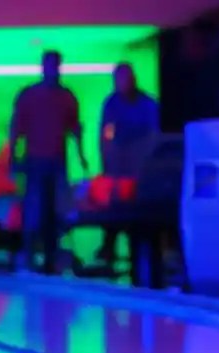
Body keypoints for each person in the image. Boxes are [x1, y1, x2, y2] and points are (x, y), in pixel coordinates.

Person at [8, 51, 87, 274]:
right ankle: (31, 253)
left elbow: (74, 128)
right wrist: (12, 156)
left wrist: (81, 155)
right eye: (50, 65)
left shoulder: (65, 97)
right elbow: (16, 128)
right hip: (36, 160)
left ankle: (48, 254)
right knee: (35, 209)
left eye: (55, 65)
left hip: (55, 160)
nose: (53, 70)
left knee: (53, 210)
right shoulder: (32, 96)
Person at [97, 62, 159, 268]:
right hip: (118, 169)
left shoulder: (148, 105)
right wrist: (107, 159)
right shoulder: (111, 104)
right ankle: (109, 247)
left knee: (140, 210)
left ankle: (140, 250)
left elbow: (154, 135)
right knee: (115, 208)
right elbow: (106, 134)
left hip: (140, 170)